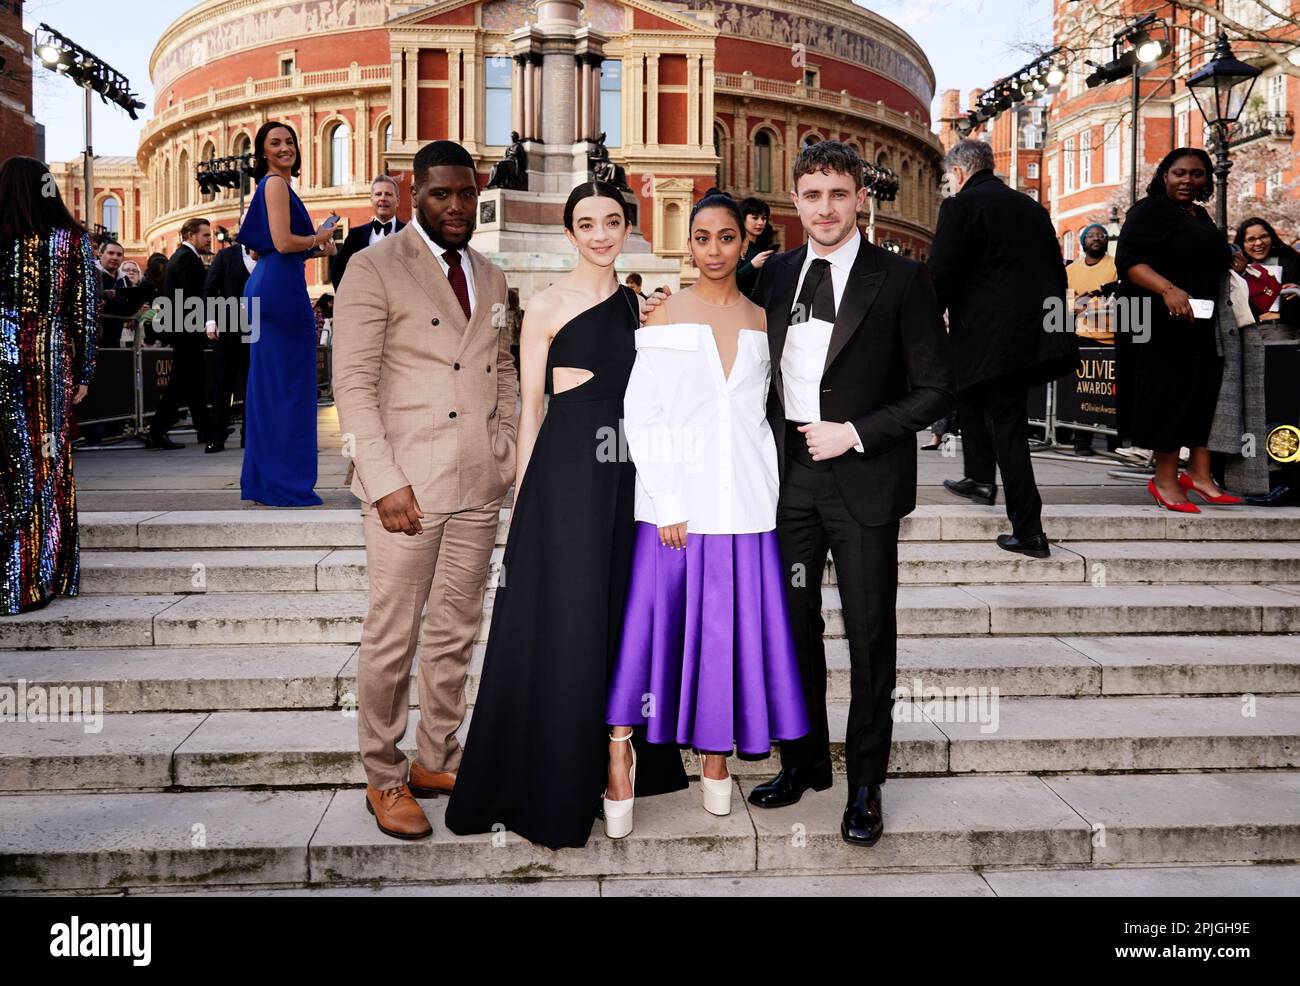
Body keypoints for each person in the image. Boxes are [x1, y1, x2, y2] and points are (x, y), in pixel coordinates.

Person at [444, 180, 689, 850]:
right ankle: (561, 772)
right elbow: (529, 409)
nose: (602, 234)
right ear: (570, 233)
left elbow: (666, 403)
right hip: (566, 476)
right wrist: (524, 503)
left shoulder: (645, 310)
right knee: (570, 616)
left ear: (628, 227)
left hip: (631, 472)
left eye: (613, 222)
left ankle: (621, 750)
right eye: (588, 223)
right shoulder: (547, 307)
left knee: (622, 610)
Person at [734, 141, 952, 846]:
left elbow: (936, 390)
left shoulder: (901, 279)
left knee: (869, 639)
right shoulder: (774, 275)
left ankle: (864, 785)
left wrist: (856, 431)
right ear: (793, 202)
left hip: (862, 481)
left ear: (859, 197)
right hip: (786, 481)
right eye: (811, 195)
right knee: (791, 631)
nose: (824, 208)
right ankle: (801, 763)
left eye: (837, 194)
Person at [604, 189, 808, 836]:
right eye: (701, 238)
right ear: (686, 244)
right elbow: (643, 413)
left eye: (725, 237)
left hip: (747, 505)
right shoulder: (663, 317)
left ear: (743, 242)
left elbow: (768, 414)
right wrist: (666, 499)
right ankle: (619, 748)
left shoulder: (763, 320)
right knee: (651, 631)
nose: (714, 249)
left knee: (725, 636)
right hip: (676, 506)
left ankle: (716, 758)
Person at [333, 140, 518, 840]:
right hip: (405, 488)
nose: (457, 206)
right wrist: (382, 481)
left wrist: (503, 449)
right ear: (415, 194)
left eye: (467, 194)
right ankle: (383, 776)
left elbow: (501, 367)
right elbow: (351, 383)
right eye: (442, 194)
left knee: (455, 631)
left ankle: (436, 757)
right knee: (392, 635)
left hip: (477, 481)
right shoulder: (373, 266)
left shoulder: (492, 275)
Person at [928, 139, 1078, 558]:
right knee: (968, 392)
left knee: (1007, 428)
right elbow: (1054, 271)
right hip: (1034, 334)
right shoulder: (1031, 208)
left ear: (958, 173)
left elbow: (942, 271)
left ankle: (1029, 531)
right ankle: (978, 477)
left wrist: (922, 322)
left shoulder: (961, 206)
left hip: (988, 337)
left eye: (948, 179)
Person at [1116, 147, 1240, 513]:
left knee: (1201, 395)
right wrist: (1167, 288)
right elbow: (1129, 262)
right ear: (1164, 176)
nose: (1188, 180)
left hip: (1199, 322)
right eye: (1179, 173)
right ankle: (1165, 480)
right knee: (1167, 398)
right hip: (1156, 321)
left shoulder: (1199, 216)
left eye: (1197, 174)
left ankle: (1200, 475)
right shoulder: (1148, 211)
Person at [0, 156, 97, 614]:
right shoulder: (70, 240)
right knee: (47, 458)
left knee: (9, 461)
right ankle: (39, 575)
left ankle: (10, 576)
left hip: (3, 357)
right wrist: (85, 372)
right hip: (46, 357)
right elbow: (86, 314)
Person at [236, 120, 336, 506]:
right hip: (280, 291)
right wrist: (318, 238)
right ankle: (283, 484)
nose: (285, 147)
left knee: (272, 386)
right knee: (288, 388)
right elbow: (280, 241)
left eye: (289, 141)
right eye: (275, 142)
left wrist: (314, 248)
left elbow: (273, 247)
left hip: (275, 282)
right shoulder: (275, 184)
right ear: (262, 152)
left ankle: (266, 480)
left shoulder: (276, 186)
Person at [147, 217, 215, 451]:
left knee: (195, 382)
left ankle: (205, 429)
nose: (210, 239)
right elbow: (191, 299)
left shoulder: (184, 258)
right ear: (190, 235)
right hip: (186, 331)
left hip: (184, 330)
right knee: (180, 384)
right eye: (205, 235)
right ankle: (157, 432)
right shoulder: (186, 260)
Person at [1065, 223, 1121, 456]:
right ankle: (1081, 441)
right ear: (1083, 242)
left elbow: (1118, 296)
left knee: (1110, 391)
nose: (1096, 238)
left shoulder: (1116, 266)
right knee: (1083, 391)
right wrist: (1078, 305)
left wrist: (1086, 303)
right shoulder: (1072, 269)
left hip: (1111, 338)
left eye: (1101, 235)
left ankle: (1114, 443)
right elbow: (1070, 301)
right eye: (1091, 235)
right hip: (1083, 336)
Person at [203, 239, 257, 453]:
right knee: (222, 385)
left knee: (252, 385)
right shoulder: (225, 255)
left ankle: (249, 437)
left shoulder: (271, 254)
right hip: (227, 329)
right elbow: (209, 289)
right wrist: (210, 321)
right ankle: (217, 437)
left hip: (258, 329)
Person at [329, 174, 406, 290]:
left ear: (398, 201)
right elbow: (338, 271)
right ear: (372, 200)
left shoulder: (409, 234)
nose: (383, 198)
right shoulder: (355, 236)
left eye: (388, 194)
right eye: (378, 194)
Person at [1235, 217, 1300, 337]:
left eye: (1263, 237)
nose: (1259, 243)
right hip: (1246, 329)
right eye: (1251, 239)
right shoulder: (1235, 266)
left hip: (1281, 327)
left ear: (1272, 237)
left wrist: (1297, 288)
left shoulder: (1290, 259)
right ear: (1242, 244)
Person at [736, 196, 776, 298]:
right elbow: (726, 282)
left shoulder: (763, 247)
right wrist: (752, 265)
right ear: (742, 219)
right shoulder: (735, 247)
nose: (760, 223)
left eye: (764, 218)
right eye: (755, 218)